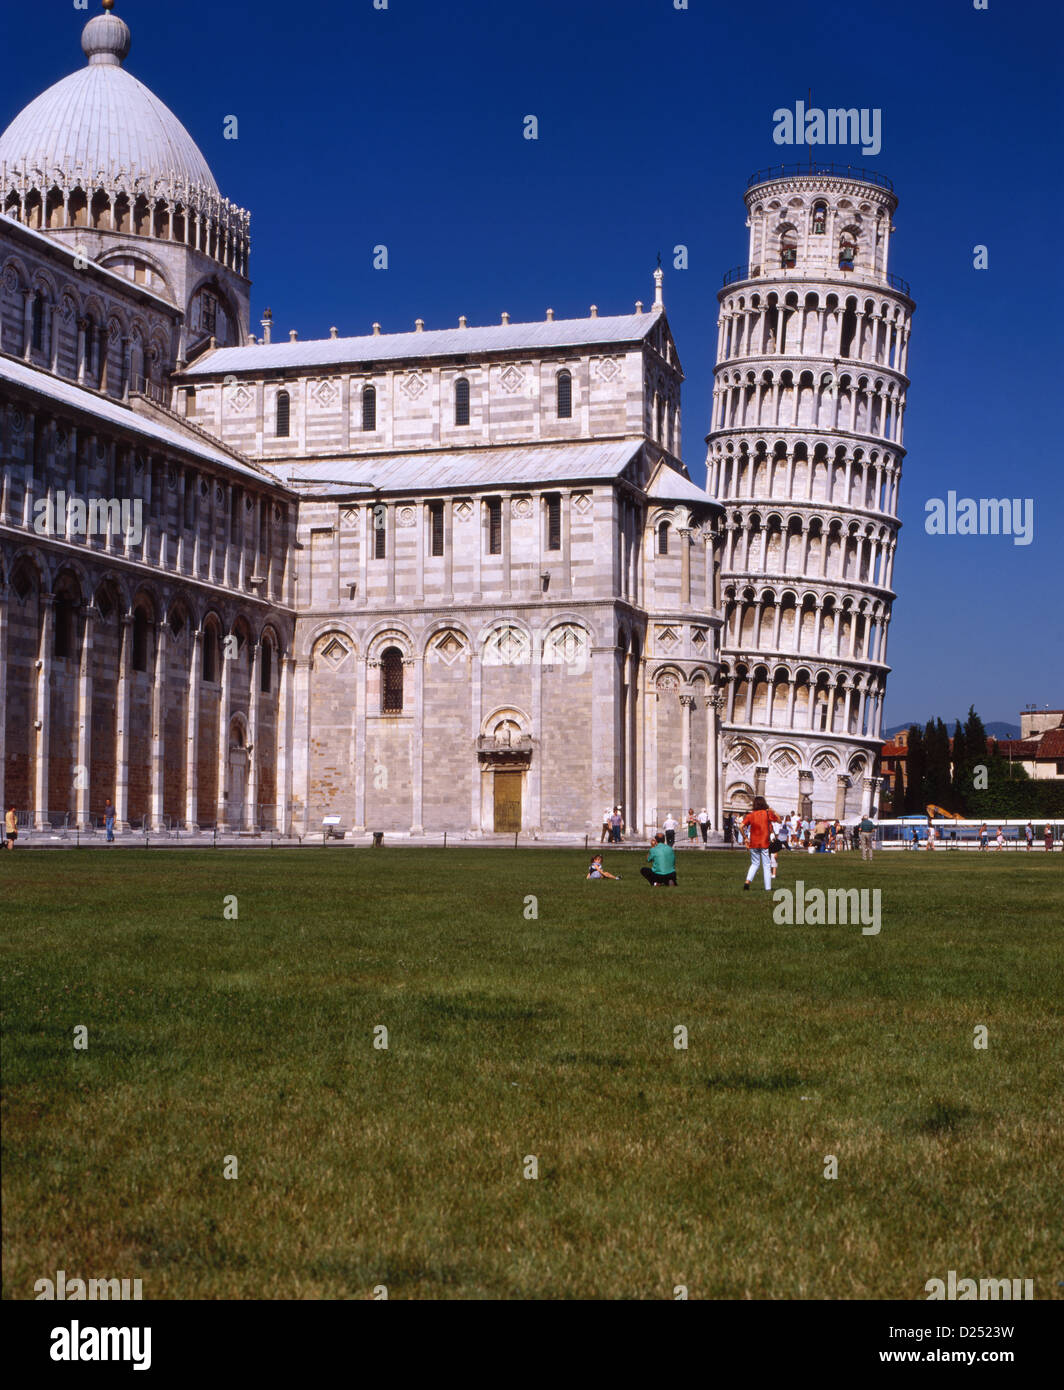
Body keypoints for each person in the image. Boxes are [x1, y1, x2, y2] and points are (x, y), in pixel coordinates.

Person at [741, 796, 782, 891]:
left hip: (753, 843)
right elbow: (779, 821)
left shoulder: (751, 815)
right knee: (767, 866)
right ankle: (768, 888)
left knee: (754, 864)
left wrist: (745, 838)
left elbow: (741, 826)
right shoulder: (768, 813)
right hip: (764, 843)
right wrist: (774, 811)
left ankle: (747, 882)